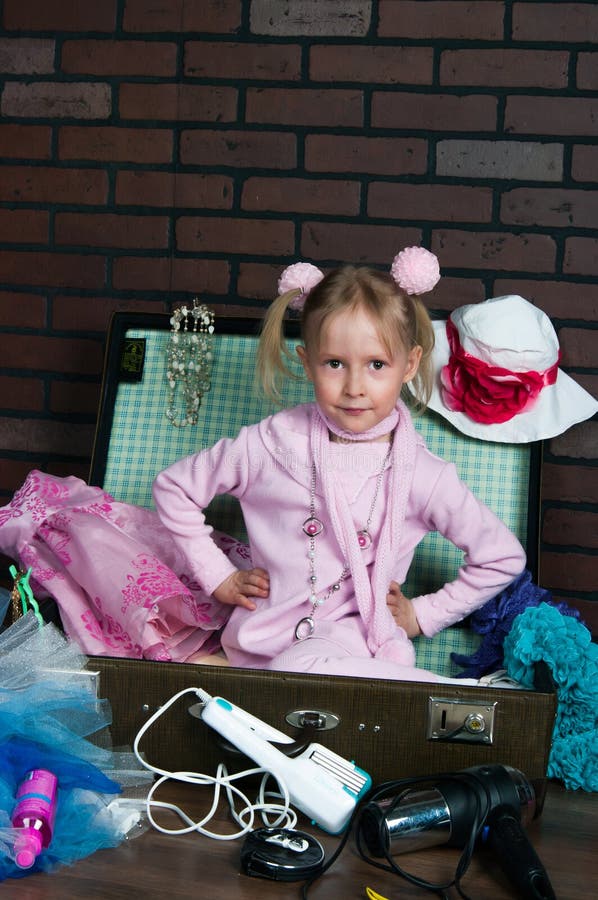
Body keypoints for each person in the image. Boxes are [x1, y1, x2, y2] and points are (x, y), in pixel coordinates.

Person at [152, 247, 526, 682]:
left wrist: (422, 615)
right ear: (306, 362)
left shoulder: (423, 474)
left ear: (409, 365)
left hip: (353, 648)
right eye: (334, 363)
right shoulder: (268, 444)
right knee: (290, 668)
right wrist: (219, 577)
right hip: (261, 642)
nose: (354, 387)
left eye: (376, 365)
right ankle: (244, 678)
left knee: (304, 672)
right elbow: (174, 488)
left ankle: (454, 698)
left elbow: (501, 556)